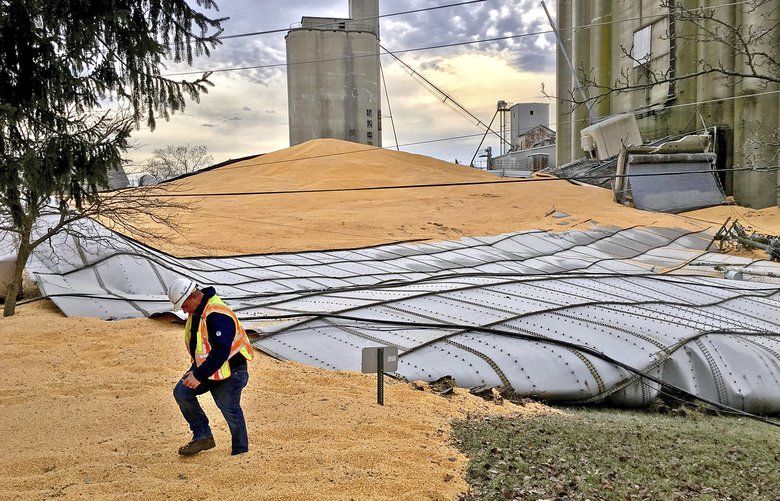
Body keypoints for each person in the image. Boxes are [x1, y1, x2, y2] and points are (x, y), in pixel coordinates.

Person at [167, 278, 254, 456]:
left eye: (184, 305)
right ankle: (203, 437)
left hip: (231, 370)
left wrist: (198, 375)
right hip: (209, 368)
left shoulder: (217, 314)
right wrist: (197, 370)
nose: (184, 311)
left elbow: (221, 352)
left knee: (230, 409)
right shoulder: (199, 311)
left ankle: (240, 452)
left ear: (193, 297)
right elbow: (203, 345)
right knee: (182, 393)